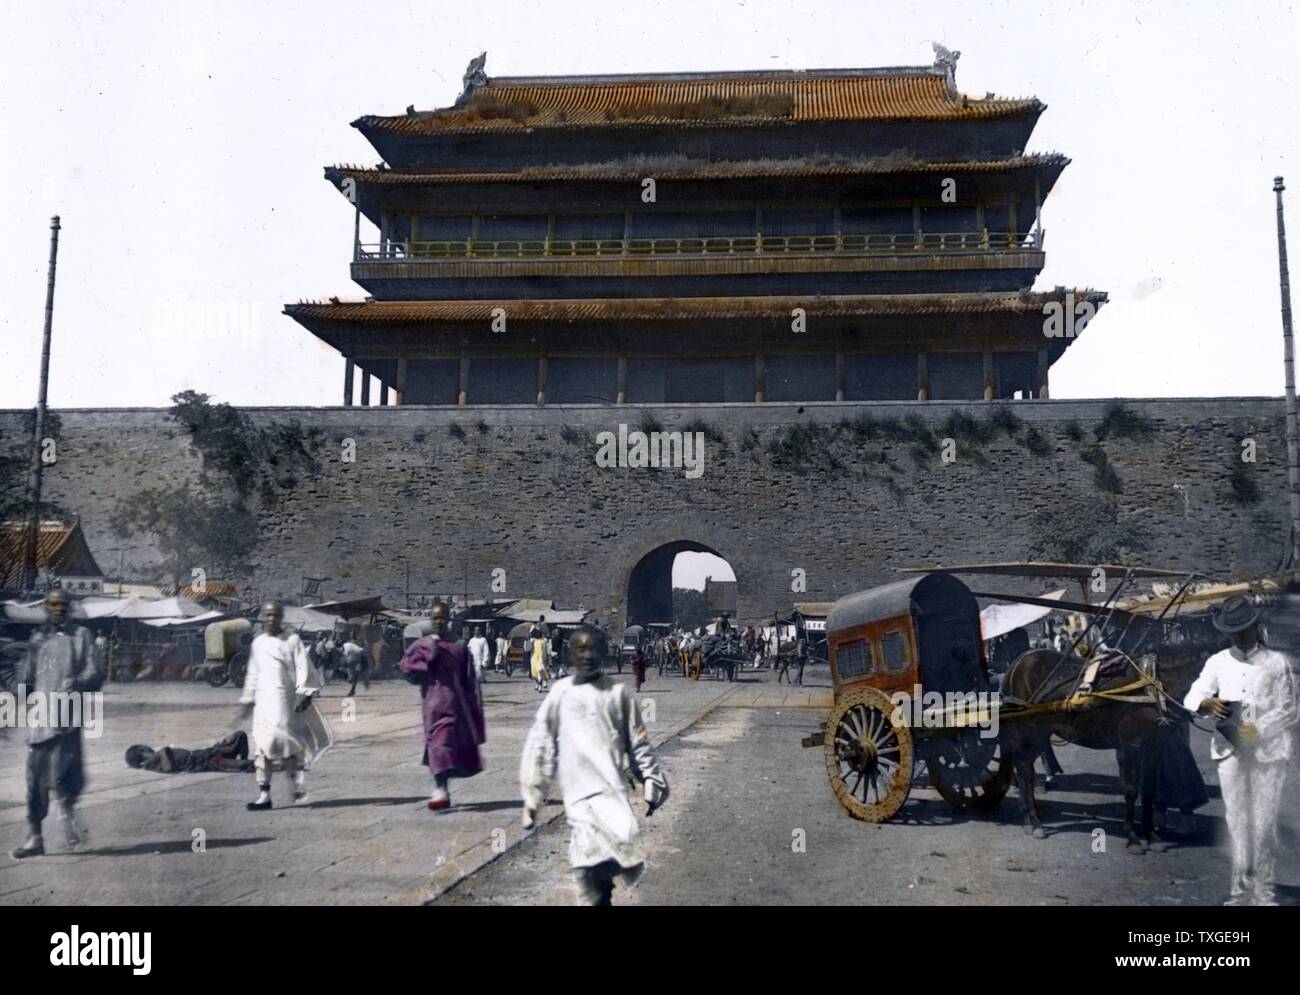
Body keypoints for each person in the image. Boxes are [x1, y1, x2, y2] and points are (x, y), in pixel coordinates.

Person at [520, 625, 668, 906]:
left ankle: (602, 894)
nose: (587, 655)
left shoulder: (619, 694)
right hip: (578, 792)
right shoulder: (560, 693)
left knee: (613, 852)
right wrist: (532, 794)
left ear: (604, 653)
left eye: (594, 649)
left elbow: (639, 743)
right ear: (570, 654)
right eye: (581, 649)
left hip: (613, 788)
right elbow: (540, 743)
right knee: (588, 860)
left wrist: (651, 780)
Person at [1183, 596, 1298, 906]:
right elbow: (1193, 695)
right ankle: (1239, 895)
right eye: (1234, 632)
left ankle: (1264, 894)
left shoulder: (1276, 663)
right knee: (1237, 823)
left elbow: (1290, 709)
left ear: (1255, 627)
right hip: (1229, 751)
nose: (1239, 636)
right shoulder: (1217, 662)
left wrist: (1258, 729)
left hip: (1268, 752)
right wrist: (1206, 703)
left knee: (1263, 825)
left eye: (1244, 630)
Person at [11, 589, 104, 859]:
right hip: (40, 720)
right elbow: (25, 677)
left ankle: (69, 816)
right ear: (46, 608)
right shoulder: (38, 638)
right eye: (52, 605)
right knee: (34, 779)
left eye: (62, 604)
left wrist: (77, 681)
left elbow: (95, 671)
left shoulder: (82, 636)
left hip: (67, 719)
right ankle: (35, 837)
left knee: (66, 775)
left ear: (70, 607)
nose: (57, 609)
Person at [238, 601, 332, 810]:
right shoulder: (258, 643)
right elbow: (253, 673)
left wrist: (305, 694)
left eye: (276, 615)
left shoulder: (292, 640)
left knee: (285, 744)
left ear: (281, 617)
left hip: (284, 701)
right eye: (268, 615)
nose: (272, 619)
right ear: (263, 617)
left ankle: (295, 785)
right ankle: (264, 795)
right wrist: (246, 699)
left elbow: (303, 667)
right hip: (263, 703)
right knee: (261, 745)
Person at [401, 602, 485, 811]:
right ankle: (441, 789)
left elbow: (469, 679)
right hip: (432, 706)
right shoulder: (424, 644)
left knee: (444, 744)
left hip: (454, 706)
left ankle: (441, 790)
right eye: (435, 618)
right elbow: (407, 668)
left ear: (449, 619)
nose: (439, 621)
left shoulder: (459, 645)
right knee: (437, 746)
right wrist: (427, 658)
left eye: (442, 617)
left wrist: (473, 707)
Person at [529, 618, 551, 693]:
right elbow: (527, 648)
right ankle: (538, 684)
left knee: (540, 670)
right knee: (535, 673)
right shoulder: (533, 640)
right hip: (534, 658)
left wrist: (548, 659)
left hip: (542, 659)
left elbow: (547, 650)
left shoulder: (544, 640)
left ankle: (540, 686)